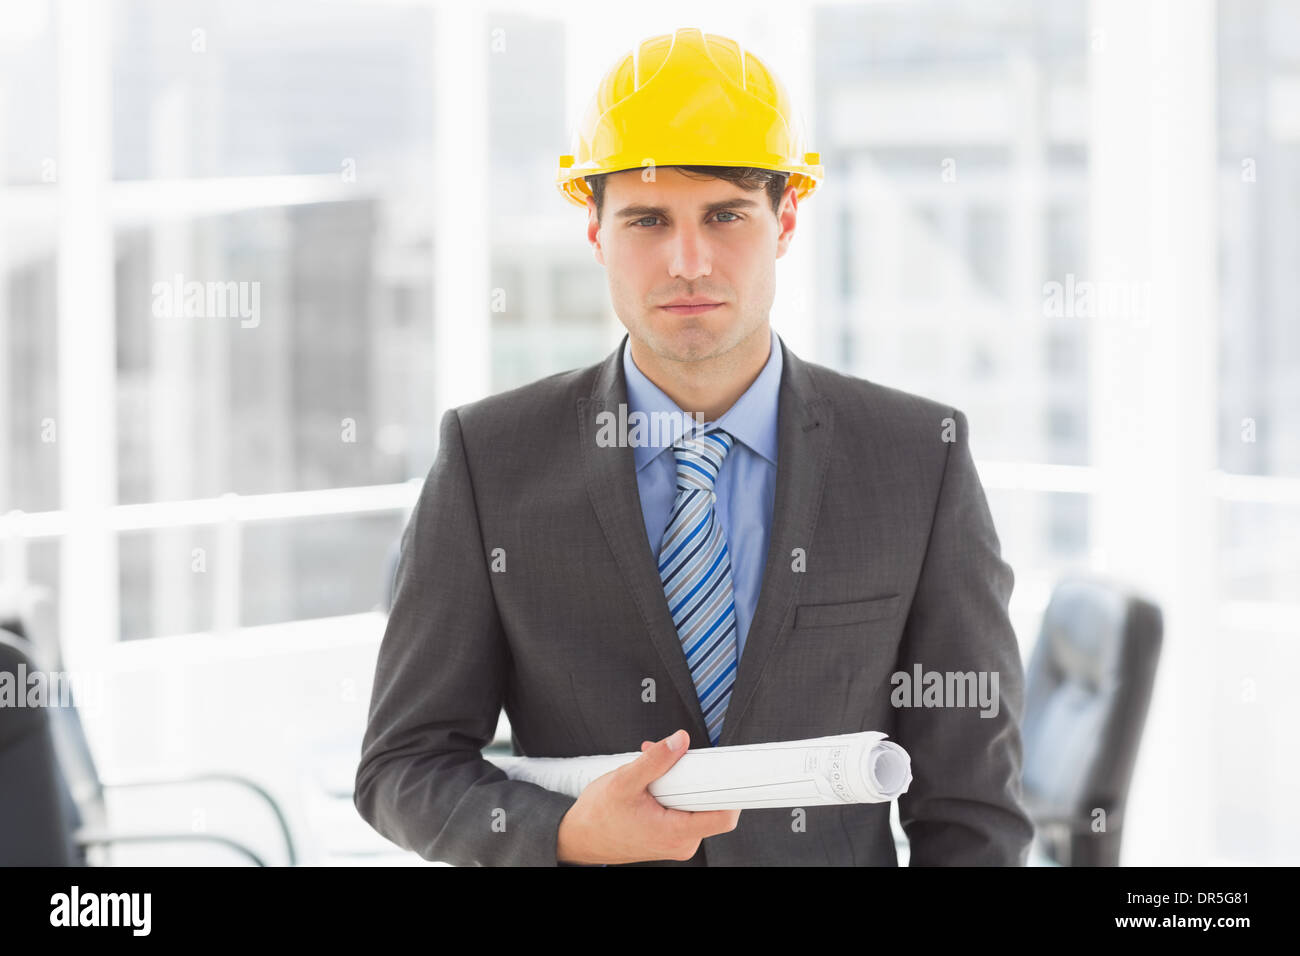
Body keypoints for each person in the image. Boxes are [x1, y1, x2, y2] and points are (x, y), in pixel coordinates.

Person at [354, 26, 1034, 866]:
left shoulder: (916, 459)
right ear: (596, 230)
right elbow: (402, 765)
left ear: (785, 220)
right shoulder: (487, 461)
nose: (688, 260)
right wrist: (566, 833)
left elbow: (972, 811)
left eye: (725, 215)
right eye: (646, 219)